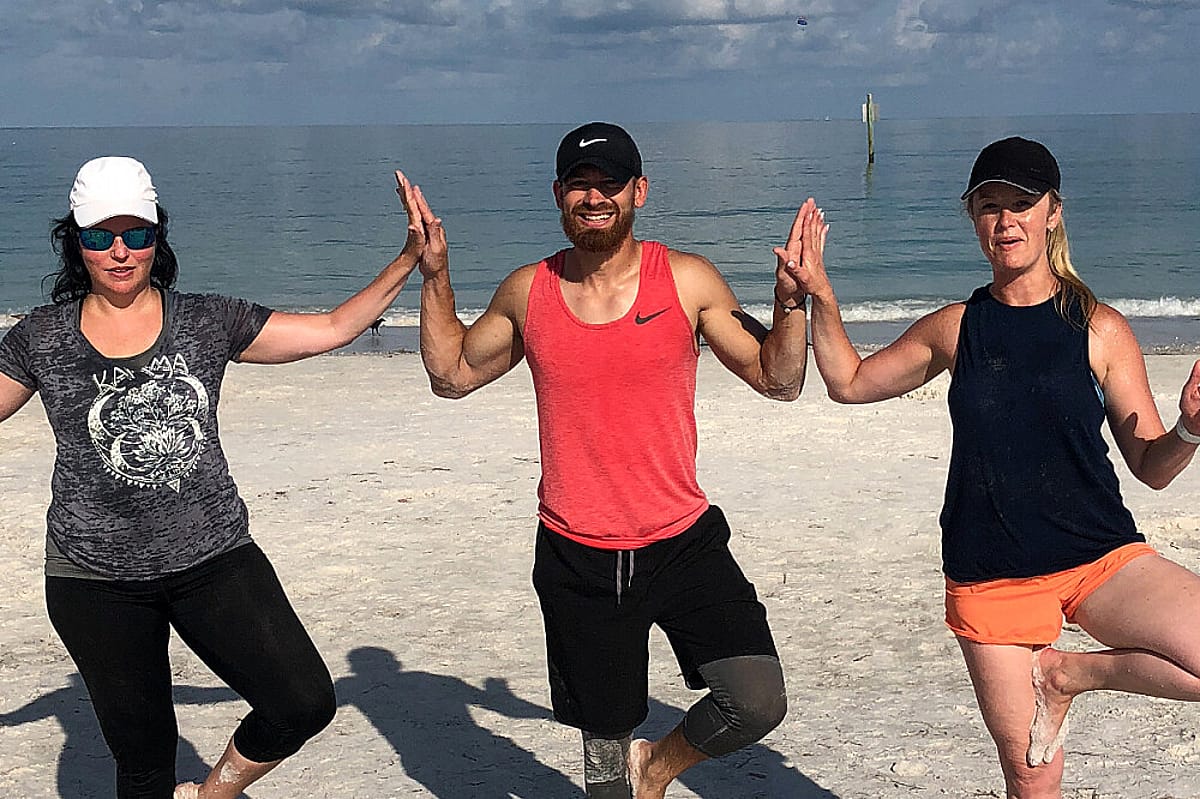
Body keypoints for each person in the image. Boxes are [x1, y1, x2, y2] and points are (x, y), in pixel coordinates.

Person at [0, 156, 432, 799]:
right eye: (99, 236)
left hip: (215, 559)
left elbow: (334, 328)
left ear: (157, 237)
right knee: (144, 762)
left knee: (303, 700)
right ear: (76, 242)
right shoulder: (40, 338)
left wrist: (408, 258)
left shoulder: (208, 320)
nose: (119, 252)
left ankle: (213, 794)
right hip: (93, 580)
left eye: (135, 234)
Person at [413, 122, 815, 798]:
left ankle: (655, 767)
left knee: (755, 699)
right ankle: (626, 777)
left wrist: (790, 302)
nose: (595, 196)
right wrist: (436, 276)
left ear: (639, 191)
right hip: (578, 556)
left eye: (610, 183)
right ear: (558, 195)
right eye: (579, 184)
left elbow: (779, 378)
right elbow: (451, 374)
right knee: (603, 773)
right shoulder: (528, 290)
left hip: (683, 542)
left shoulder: (687, 281)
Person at [791, 136, 1200, 798]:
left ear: (1053, 213)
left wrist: (1190, 427)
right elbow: (849, 380)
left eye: (1022, 204)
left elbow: (1152, 465)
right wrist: (821, 293)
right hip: (992, 578)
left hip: (1100, 558)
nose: (1006, 221)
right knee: (1034, 782)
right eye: (990, 206)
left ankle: (1068, 674)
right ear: (973, 217)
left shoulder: (1100, 328)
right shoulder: (957, 328)